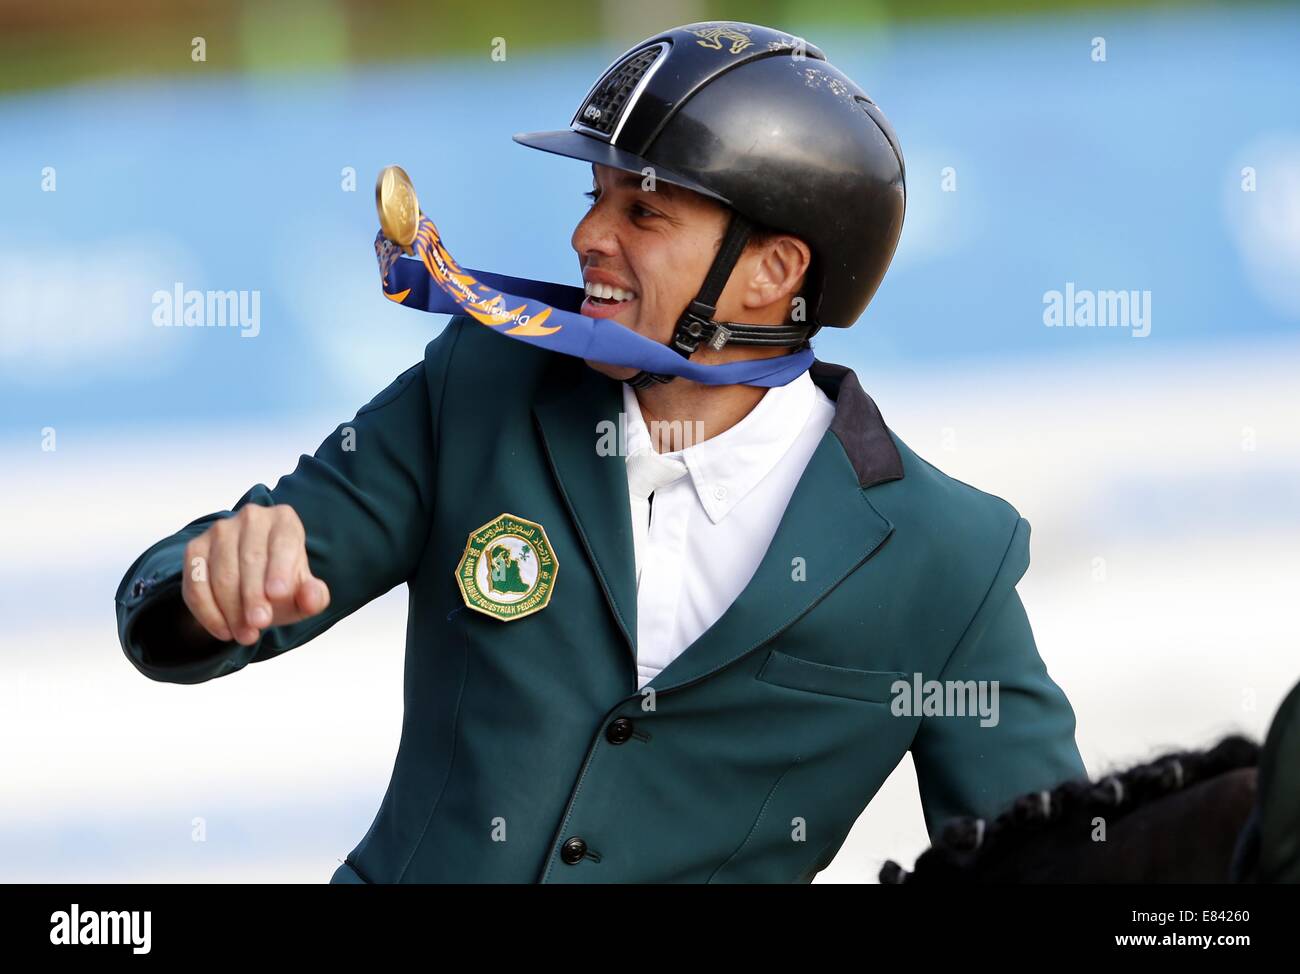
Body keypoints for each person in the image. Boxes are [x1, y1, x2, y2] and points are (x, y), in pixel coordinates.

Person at [115, 21, 1085, 883]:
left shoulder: (948, 554)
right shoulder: (480, 386)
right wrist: (206, 579)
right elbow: (186, 588)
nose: (587, 234)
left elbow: (1043, 858)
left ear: (773, 271)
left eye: (642, 211)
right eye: (595, 197)